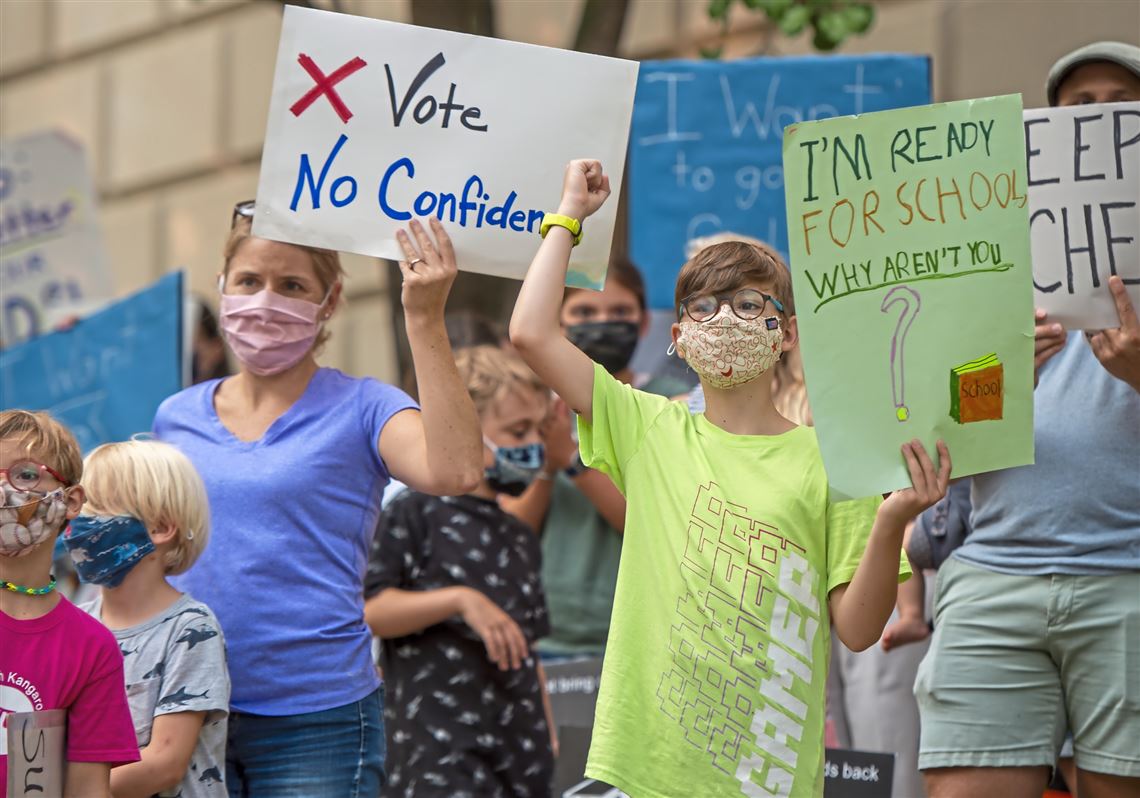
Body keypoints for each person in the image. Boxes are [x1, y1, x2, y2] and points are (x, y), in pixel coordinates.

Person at [509, 160, 951, 796]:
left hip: (768, 777)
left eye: (748, 304)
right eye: (704, 308)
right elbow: (529, 332)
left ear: (787, 333)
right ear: (679, 336)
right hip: (650, 769)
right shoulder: (649, 428)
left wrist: (890, 522)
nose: (725, 320)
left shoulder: (833, 462)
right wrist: (569, 217)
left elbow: (858, 631)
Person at [152, 203, 484, 797]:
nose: (265, 300)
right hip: (184, 709)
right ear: (222, 286)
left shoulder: (366, 407)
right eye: (249, 281)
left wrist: (424, 317)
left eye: (292, 285)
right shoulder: (174, 417)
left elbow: (456, 469)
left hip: (316, 721)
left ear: (329, 301)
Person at [915, 41, 1140, 798]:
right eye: (1083, 107)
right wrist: (1007, 379)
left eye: (1122, 104)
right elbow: (941, 439)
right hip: (995, 573)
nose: (1101, 120)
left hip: (1129, 580)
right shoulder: (989, 257)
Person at [363, 344, 555, 797]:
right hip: (437, 750)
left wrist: (548, 734)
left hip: (517, 749)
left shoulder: (518, 534)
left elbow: (528, 648)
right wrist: (459, 600)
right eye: (518, 431)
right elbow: (371, 610)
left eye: (540, 430)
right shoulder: (413, 512)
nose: (534, 444)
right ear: (464, 427)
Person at [501, 255, 678, 659]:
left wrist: (572, 461)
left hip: (643, 635)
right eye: (584, 312)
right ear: (557, 323)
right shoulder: (531, 411)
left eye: (619, 312)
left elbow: (656, 524)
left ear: (644, 322)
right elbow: (510, 532)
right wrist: (547, 469)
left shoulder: (671, 404)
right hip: (548, 636)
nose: (602, 322)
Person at [65, 439, 229, 798]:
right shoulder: (74, 626)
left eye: (98, 507)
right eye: (77, 506)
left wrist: (63, 790)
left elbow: (164, 764)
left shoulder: (191, 628)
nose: (77, 522)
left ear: (160, 528)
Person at [0, 410, 139, 794]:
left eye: (25, 475)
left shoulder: (90, 646)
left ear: (71, 500)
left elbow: (87, 788)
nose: (4, 490)